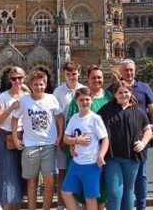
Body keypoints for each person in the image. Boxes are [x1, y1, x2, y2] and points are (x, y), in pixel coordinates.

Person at [12, 70, 64, 210]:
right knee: (31, 183)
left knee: (49, 182)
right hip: (30, 146)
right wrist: (16, 139)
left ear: (45, 84)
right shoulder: (24, 100)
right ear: (31, 85)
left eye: (41, 84)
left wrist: (60, 135)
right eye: (35, 84)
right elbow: (15, 118)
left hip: (48, 145)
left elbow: (59, 117)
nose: (38, 87)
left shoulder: (51, 99)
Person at [98, 82, 152, 210]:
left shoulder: (138, 110)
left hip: (132, 156)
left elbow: (148, 129)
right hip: (111, 157)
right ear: (115, 95)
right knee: (115, 192)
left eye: (126, 92)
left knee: (128, 191)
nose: (123, 95)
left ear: (131, 93)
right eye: (120, 92)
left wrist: (143, 143)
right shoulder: (106, 110)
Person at [65, 65, 112, 207]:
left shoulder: (109, 96)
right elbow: (72, 125)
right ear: (88, 79)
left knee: (102, 187)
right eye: (93, 77)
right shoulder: (80, 98)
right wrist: (73, 144)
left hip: (104, 151)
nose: (96, 80)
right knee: (85, 192)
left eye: (99, 77)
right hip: (83, 153)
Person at [116, 59, 153, 210]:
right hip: (120, 141)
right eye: (126, 70)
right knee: (121, 177)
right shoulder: (114, 88)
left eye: (131, 70)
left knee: (141, 175)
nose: (129, 72)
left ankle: (141, 207)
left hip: (141, 139)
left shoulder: (144, 87)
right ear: (120, 71)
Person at [0, 67, 29, 210]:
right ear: (10, 80)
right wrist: (10, 108)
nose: (17, 81)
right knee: (8, 177)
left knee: (21, 176)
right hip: (7, 139)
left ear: (24, 78)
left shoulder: (27, 95)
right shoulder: (3, 97)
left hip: (24, 137)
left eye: (19, 78)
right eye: (14, 78)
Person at [53, 62, 87, 210]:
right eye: (68, 74)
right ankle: (61, 205)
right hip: (64, 136)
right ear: (64, 74)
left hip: (82, 138)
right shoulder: (58, 92)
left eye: (74, 73)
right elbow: (56, 116)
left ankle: (78, 203)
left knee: (80, 171)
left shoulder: (84, 90)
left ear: (79, 73)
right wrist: (60, 137)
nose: (72, 76)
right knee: (63, 172)